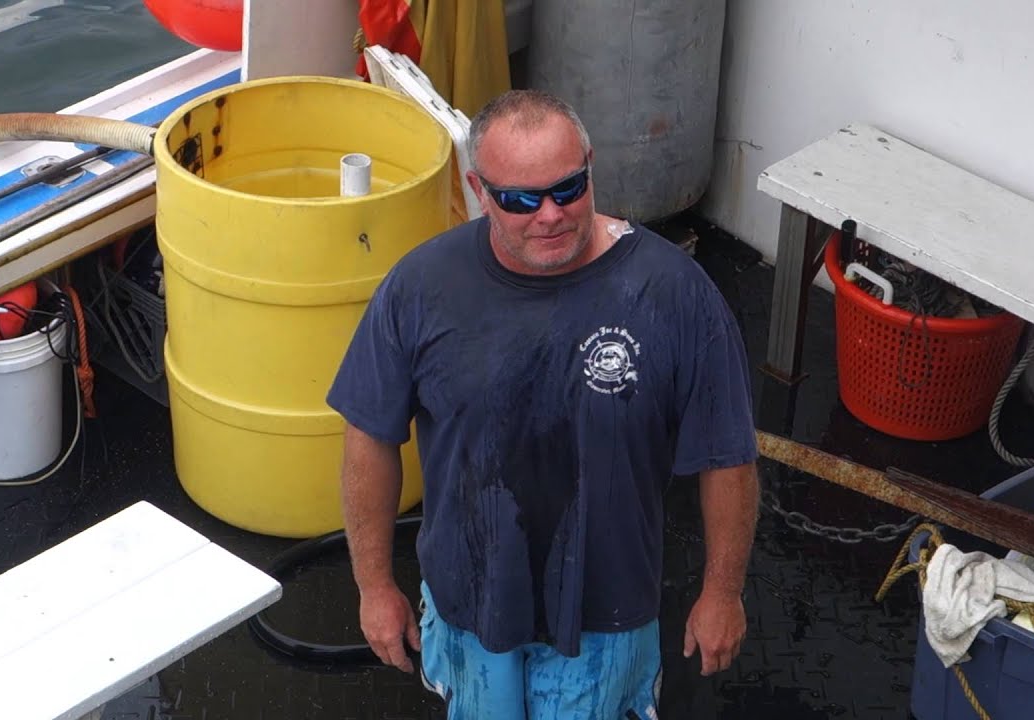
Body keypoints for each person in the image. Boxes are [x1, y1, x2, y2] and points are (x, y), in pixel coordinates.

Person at [326, 88, 760, 719]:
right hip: (468, 606)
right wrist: (373, 585)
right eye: (521, 200)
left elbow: (728, 457)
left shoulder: (677, 293)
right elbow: (369, 434)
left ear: (590, 167)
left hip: (608, 619)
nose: (550, 214)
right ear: (479, 191)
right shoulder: (418, 286)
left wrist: (723, 592)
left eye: (568, 188)